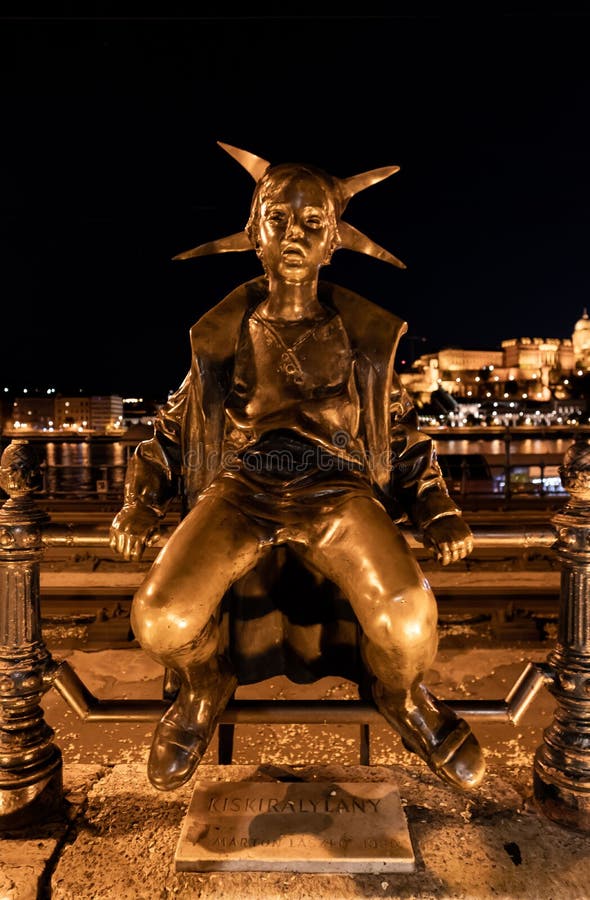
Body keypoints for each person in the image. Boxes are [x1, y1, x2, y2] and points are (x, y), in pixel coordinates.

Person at [110, 142, 484, 793]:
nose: (293, 235)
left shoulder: (362, 339)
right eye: (278, 218)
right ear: (254, 230)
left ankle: (408, 699)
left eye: (313, 224)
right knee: (160, 616)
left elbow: (401, 436)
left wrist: (438, 507)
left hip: (338, 495)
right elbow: (169, 434)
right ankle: (204, 686)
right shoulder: (220, 338)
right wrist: (142, 499)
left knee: (408, 617)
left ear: (335, 241)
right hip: (240, 493)